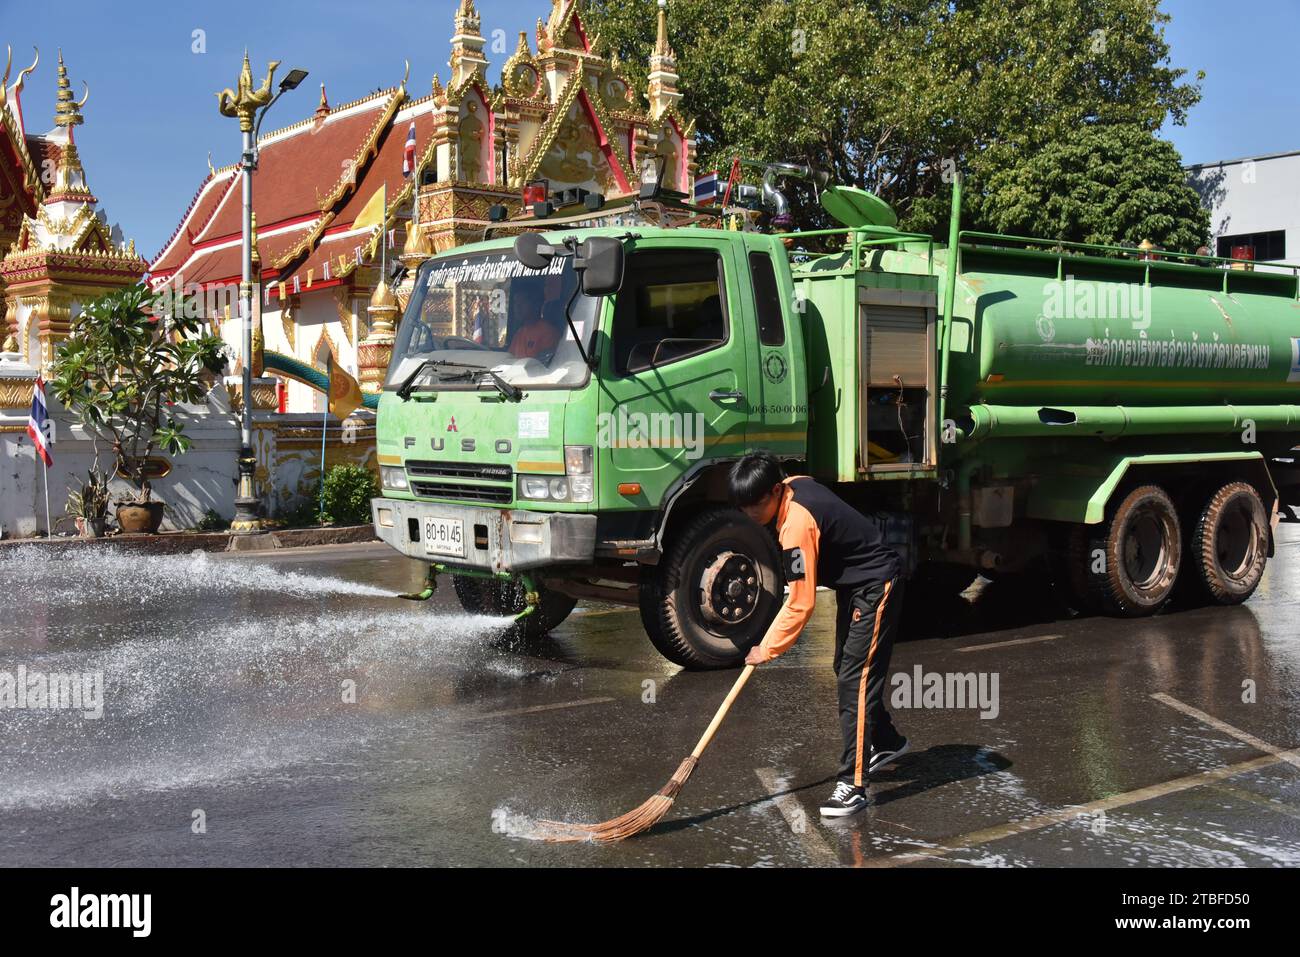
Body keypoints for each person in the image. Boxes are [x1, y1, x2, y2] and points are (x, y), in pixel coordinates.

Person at [730, 450, 909, 818]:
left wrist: (768, 648)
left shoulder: (796, 523)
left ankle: (853, 785)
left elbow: (800, 602)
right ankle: (887, 741)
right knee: (845, 667)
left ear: (777, 490)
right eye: (744, 507)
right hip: (856, 583)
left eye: (757, 505)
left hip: (876, 584)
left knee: (853, 681)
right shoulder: (795, 484)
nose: (751, 515)